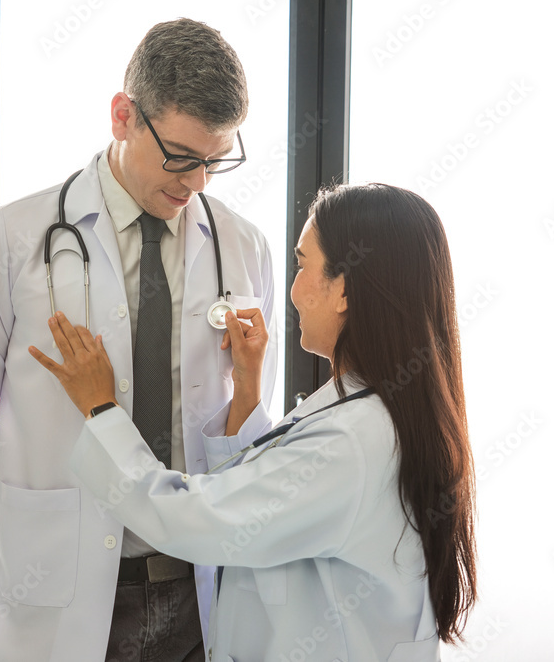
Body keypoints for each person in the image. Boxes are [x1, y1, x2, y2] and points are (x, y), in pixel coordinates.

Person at [0, 18, 276, 661]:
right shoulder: (10, 241)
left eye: (214, 162)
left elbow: (242, 438)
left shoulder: (241, 246)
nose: (196, 183)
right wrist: (37, 517)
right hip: (60, 590)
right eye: (180, 157)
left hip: (197, 594)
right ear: (123, 116)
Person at [31, 183, 478, 661]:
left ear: (343, 289)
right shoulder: (372, 413)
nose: (292, 290)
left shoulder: (353, 442)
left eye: (302, 265)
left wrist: (102, 410)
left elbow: (196, 519)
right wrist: (246, 392)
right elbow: (271, 503)